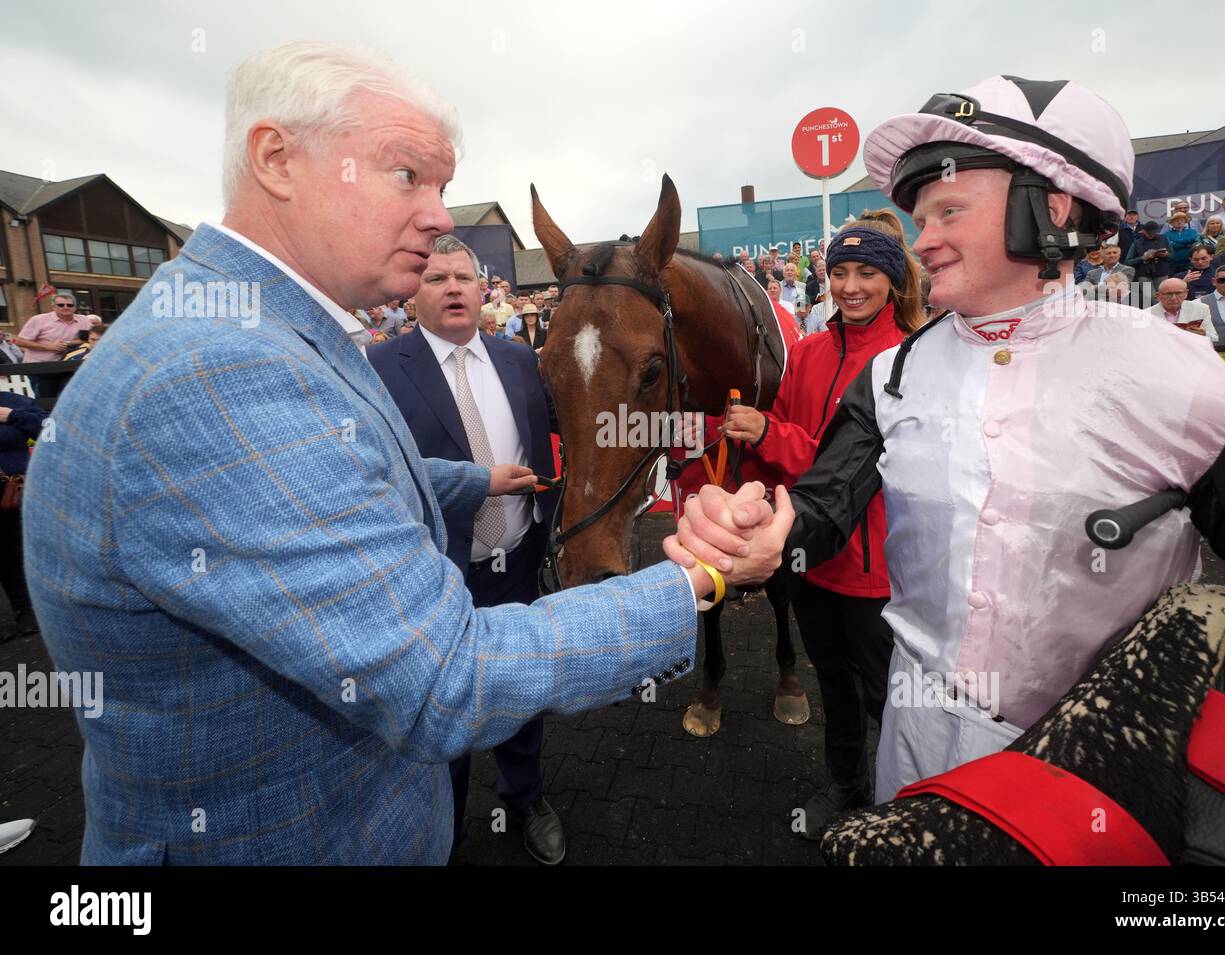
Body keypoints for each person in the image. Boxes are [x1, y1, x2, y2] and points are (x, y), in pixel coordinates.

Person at [25, 41, 790, 866]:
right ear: (277, 159)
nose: (439, 217)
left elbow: (329, 484)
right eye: (407, 176)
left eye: (444, 187)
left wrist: (476, 478)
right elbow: (443, 678)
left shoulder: (256, 333)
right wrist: (697, 579)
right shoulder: (218, 371)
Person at [667, 74, 1225, 803]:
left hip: (1103, 789)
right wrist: (768, 533)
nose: (921, 240)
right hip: (912, 763)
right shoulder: (891, 376)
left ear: (1051, 208)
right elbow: (824, 503)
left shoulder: (1195, 386)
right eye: (919, 217)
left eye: (946, 212)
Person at [719, 219, 922, 839]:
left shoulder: (912, 358)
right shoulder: (805, 353)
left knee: (886, 700)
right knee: (831, 684)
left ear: (893, 280)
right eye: (839, 273)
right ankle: (846, 787)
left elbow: (861, 469)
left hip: (877, 571)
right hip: (809, 563)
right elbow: (774, 452)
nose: (850, 286)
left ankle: (903, 806)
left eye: (866, 273)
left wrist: (772, 435)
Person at [368, 234, 563, 864]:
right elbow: (374, 469)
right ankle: (444, 829)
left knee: (519, 685)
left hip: (520, 557)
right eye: (436, 279)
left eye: (464, 277)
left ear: (484, 289)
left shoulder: (520, 359)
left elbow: (575, 424)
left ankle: (525, 793)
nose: (452, 288)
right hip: (433, 574)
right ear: (413, 292)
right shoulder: (378, 369)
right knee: (438, 703)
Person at [0, 390, 49, 639]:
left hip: (14, 493)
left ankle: (25, 609)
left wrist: (13, 416)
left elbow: (53, 431)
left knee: (15, 553)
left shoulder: (11, 402)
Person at [12, 293, 94, 396]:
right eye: (61, 305)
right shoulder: (38, 320)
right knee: (45, 401)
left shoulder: (84, 320)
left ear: (75, 308)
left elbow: (90, 340)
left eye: (69, 305)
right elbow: (20, 341)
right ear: (53, 307)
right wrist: (49, 347)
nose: (65, 307)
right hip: (41, 368)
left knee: (67, 399)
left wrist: (68, 343)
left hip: (68, 367)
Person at [1149, 277, 1213, 339]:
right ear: (1158, 296)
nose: (1173, 298)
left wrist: (1204, 334)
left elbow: (1214, 337)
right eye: (1168, 294)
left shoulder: (1201, 309)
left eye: (1178, 293)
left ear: (1186, 293)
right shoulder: (1147, 314)